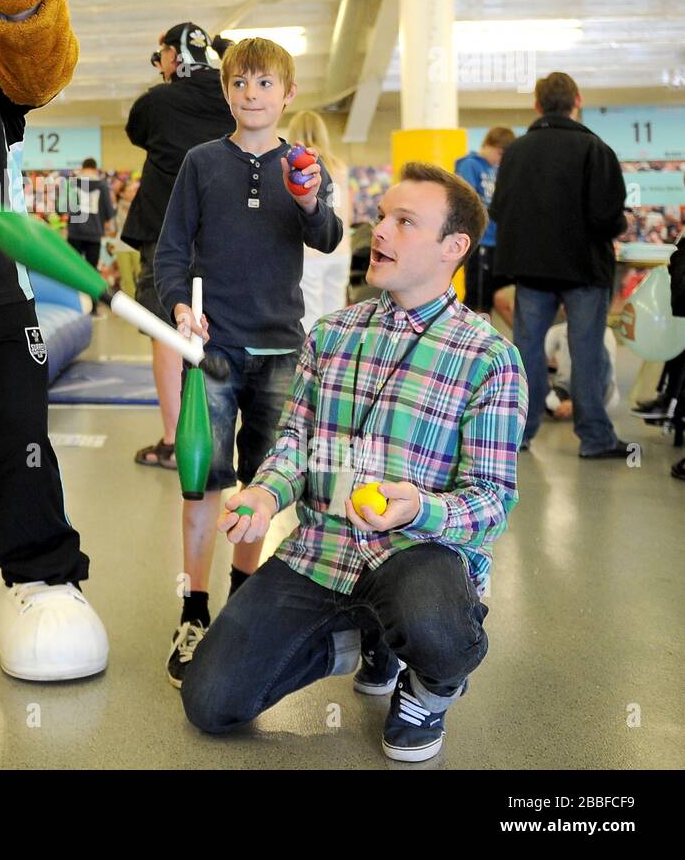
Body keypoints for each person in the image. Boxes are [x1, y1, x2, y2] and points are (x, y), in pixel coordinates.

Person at [182, 164, 525, 762]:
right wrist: (265, 495)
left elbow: (494, 499)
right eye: (383, 214)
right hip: (321, 553)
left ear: (455, 248)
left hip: (417, 554)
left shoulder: (489, 357)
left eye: (404, 221)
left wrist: (419, 506)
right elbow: (295, 440)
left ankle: (429, 686)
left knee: (439, 630)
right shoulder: (332, 335)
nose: (380, 230)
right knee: (210, 701)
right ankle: (368, 637)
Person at [153, 37, 343, 686]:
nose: (251, 95)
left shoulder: (303, 165)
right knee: (203, 483)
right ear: (226, 92)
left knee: (260, 489)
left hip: (282, 349)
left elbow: (328, 237)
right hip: (213, 353)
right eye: (240, 84)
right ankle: (194, 608)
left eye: (265, 85)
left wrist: (312, 198)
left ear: (288, 95)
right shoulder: (202, 163)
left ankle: (241, 601)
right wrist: (180, 307)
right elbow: (171, 252)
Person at [491, 72, 632, 458]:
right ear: (578, 100)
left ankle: (520, 434)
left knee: (527, 350)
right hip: (584, 269)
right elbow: (607, 217)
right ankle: (595, 438)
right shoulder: (595, 149)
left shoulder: (516, 152)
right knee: (586, 350)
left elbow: (499, 209)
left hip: (531, 268)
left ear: (536, 105)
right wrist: (623, 223)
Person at [122, 23, 234, 469]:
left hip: (164, 231)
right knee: (220, 330)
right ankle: (223, 436)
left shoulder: (157, 102)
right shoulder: (231, 95)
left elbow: (137, 132)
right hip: (222, 232)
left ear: (171, 55)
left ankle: (173, 440)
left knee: (169, 332)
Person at [288, 109, 352, 334]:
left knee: (310, 320)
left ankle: (310, 368)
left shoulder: (297, 169)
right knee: (336, 320)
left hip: (310, 253)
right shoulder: (339, 166)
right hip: (341, 250)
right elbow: (347, 213)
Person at [455, 127, 516, 312]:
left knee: (496, 296)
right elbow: (468, 201)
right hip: (481, 241)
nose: (500, 159)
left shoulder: (495, 169)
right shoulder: (470, 165)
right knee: (478, 300)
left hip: (497, 241)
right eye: (499, 153)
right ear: (489, 146)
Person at [544, 321, 618, 418]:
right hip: (565, 386)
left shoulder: (605, 333)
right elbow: (538, 361)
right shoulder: (557, 331)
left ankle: (581, 404)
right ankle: (565, 405)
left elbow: (605, 373)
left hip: (598, 388)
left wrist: (576, 403)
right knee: (550, 402)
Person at [60, 157, 114, 270]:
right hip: (95, 233)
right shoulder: (103, 186)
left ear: (82, 168)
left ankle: (73, 288)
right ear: (95, 169)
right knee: (92, 270)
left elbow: (63, 208)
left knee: (72, 267)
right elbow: (109, 211)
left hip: (75, 231)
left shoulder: (73, 183)